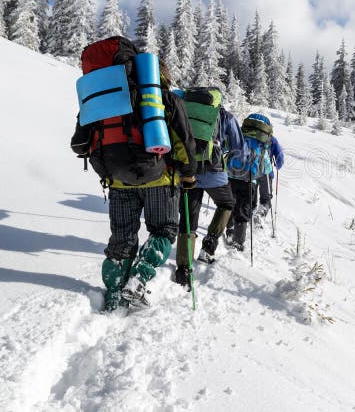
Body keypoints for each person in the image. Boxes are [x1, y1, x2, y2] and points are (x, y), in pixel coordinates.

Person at [71, 37, 197, 312]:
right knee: (163, 230)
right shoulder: (162, 96)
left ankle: (113, 297)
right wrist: (188, 174)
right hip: (159, 177)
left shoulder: (101, 97)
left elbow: (78, 144)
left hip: (117, 179)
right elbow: (184, 140)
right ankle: (139, 278)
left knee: (122, 239)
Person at [174, 98, 242, 286]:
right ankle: (208, 247)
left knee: (188, 218)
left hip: (187, 172)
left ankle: (183, 268)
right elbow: (239, 147)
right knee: (227, 203)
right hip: (215, 174)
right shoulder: (225, 116)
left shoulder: (185, 109)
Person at [225, 113, 274, 250]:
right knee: (243, 210)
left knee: (230, 205)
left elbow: (227, 148)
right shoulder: (262, 144)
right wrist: (266, 174)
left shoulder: (240, 135)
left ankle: (229, 230)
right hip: (249, 180)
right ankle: (238, 242)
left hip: (231, 176)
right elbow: (266, 166)